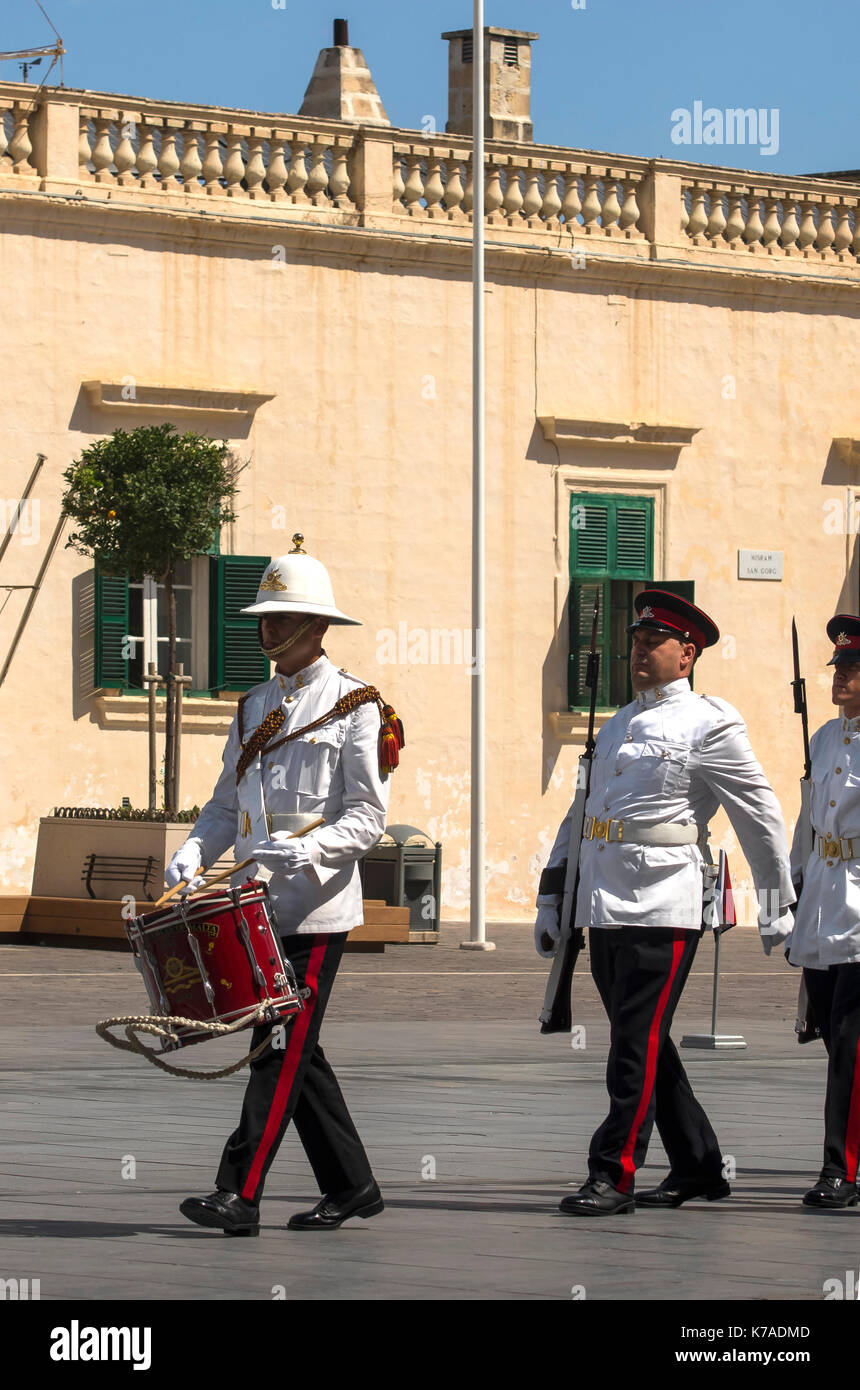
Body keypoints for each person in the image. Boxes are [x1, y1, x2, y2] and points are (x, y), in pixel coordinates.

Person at [535, 588, 794, 1216]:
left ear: (688, 656)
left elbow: (757, 814)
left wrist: (775, 901)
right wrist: (553, 896)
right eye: (637, 640)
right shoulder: (617, 722)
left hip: (664, 901)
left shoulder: (711, 721)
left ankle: (613, 1171)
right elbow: (580, 812)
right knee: (645, 1037)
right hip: (602, 901)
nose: (641, 650)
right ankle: (700, 1165)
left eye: (656, 642)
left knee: (634, 1040)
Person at [169, 535, 398, 1235]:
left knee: (274, 1048)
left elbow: (367, 818)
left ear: (317, 626)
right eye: (263, 616)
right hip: (254, 908)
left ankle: (239, 1193)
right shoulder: (252, 706)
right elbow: (222, 803)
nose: (267, 628)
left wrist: (306, 853)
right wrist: (191, 851)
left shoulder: (358, 705)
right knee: (298, 1050)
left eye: (281, 616)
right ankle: (353, 1185)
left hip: (317, 910)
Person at [789, 613, 860, 1210]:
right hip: (824, 899)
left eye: (854, 669)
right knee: (837, 1044)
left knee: (850, 1038)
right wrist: (792, 887)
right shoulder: (825, 739)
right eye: (839, 667)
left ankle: (839, 1168)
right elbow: (808, 821)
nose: (840, 678)